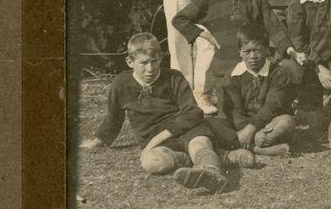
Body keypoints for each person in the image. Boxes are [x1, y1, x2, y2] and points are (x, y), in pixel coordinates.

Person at [78, 32, 230, 195]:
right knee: (151, 163)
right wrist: (98, 140)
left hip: (186, 130)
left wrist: (158, 139)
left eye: (154, 61)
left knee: (199, 143)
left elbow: (192, 113)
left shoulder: (174, 77)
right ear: (130, 62)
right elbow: (113, 117)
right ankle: (203, 159)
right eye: (143, 63)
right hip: (155, 140)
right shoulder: (121, 84)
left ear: (160, 59)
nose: (150, 69)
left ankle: (213, 173)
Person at [170, 0, 286, 114]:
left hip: (253, 67)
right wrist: (205, 35)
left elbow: (275, 27)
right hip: (224, 70)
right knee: (229, 115)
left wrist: (290, 50)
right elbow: (179, 19)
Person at [217, 24, 296, 160]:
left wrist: (252, 128)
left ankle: (251, 144)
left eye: (258, 50)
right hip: (240, 127)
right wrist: (245, 129)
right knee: (212, 124)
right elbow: (234, 111)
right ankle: (261, 149)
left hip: (268, 124)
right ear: (240, 52)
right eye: (247, 51)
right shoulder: (232, 76)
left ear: (267, 50)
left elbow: (273, 105)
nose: (253, 56)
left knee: (287, 122)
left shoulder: (278, 73)